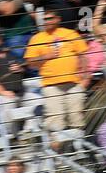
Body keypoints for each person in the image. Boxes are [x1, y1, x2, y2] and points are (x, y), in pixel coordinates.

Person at [24, 10, 88, 144]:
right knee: (55, 119)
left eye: (50, 18)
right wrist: (46, 56)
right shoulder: (37, 38)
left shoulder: (70, 33)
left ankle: (79, 147)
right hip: (51, 85)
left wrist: (84, 76)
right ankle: (58, 153)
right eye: (45, 19)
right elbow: (30, 62)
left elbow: (83, 55)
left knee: (76, 116)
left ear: (58, 19)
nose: (47, 21)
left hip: (74, 83)